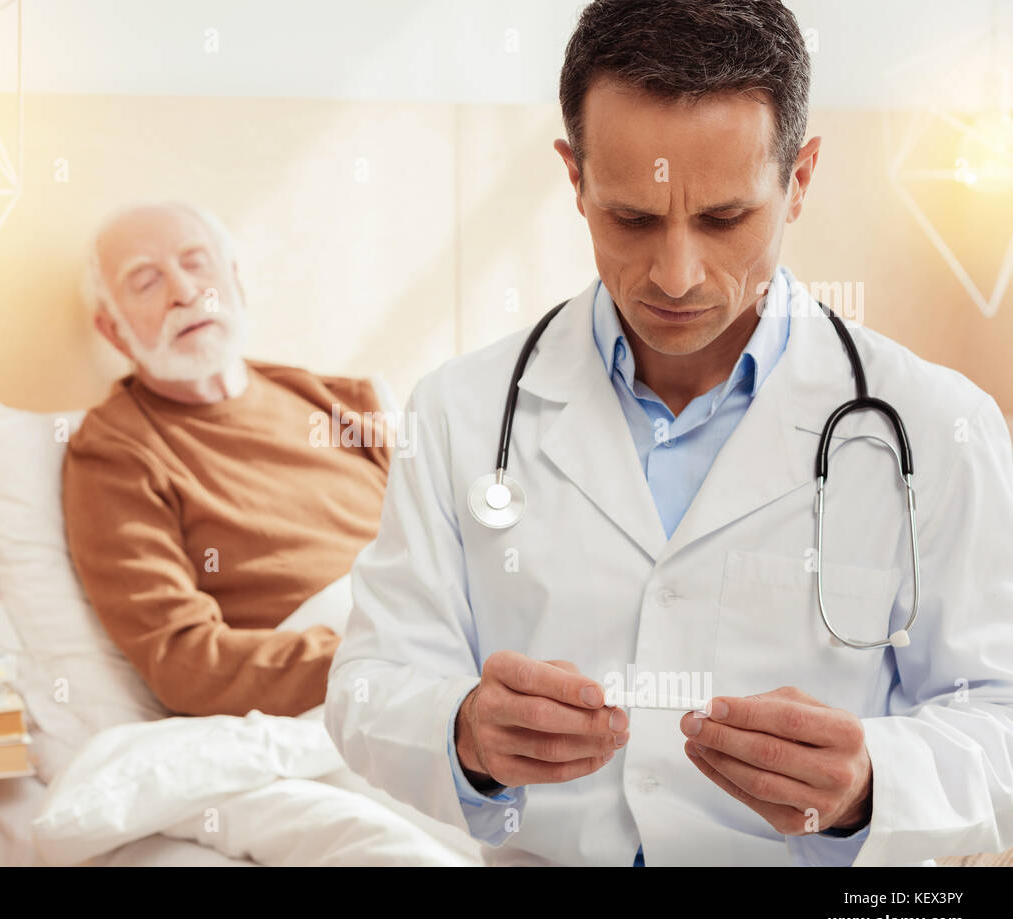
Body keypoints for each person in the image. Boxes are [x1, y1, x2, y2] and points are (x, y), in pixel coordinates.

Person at [326, 0, 1013, 866]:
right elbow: (365, 689)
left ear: (799, 180)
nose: (676, 276)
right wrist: (461, 732)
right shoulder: (460, 411)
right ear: (573, 178)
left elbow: (1001, 716)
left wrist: (873, 780)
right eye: (633, 218)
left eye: (725, 219)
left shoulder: (938, 425)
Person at [63, 201, 392, 717]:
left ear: (234, 281)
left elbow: (459, 549)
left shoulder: (339, 400)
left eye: (196, 263)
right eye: (146, 282)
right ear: (113, 331)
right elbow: (184, 660)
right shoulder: (116, 452)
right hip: (345, 694)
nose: (185, 292)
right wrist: (378, 662)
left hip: (450, 649)